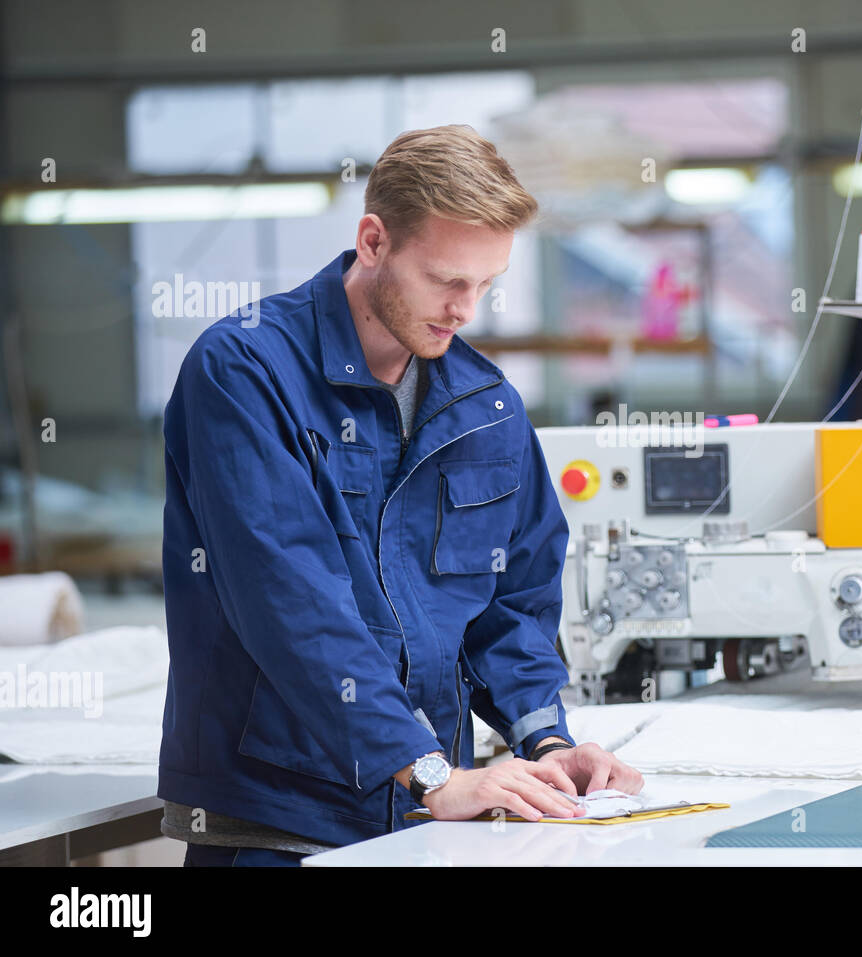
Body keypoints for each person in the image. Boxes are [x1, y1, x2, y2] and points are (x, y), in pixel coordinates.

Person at [158, 125, 642, 866]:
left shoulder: (486, 406)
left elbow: (511, 606)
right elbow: (289, 604)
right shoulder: (245, 373)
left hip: (421, 826)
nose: (465, 309)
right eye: (447, 279)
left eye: (485, 283)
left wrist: (546, 738)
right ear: (374, 240)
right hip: (279, 824)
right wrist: (427, 767)